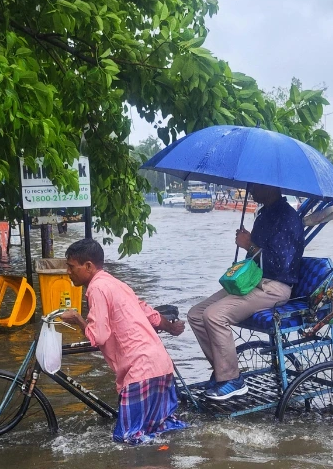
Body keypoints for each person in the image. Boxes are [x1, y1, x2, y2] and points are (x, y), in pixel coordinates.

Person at [59, 239, 188, 444]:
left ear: (88, 266)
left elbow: (98, 337)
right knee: (160, 430)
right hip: (160, 365)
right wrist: (170, 328)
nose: (68, 272)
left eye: (71, 266)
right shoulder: (115, 283)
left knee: (127, 440)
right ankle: (171, 459)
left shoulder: (96, 288)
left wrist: (77, 319)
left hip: (140, 370)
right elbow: (147, 312)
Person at [188, 183, 303, 401]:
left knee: (214, 316)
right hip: (252, 280)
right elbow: (255, 257)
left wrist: (249, 244)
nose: (251, 190)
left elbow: (281, 266)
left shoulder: (288, 218)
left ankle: (233, 380)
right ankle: (223, 371)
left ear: (270, 187)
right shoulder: (263, 215)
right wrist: (248, 245)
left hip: (274, 287)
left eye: (256, 186)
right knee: (196, 314)